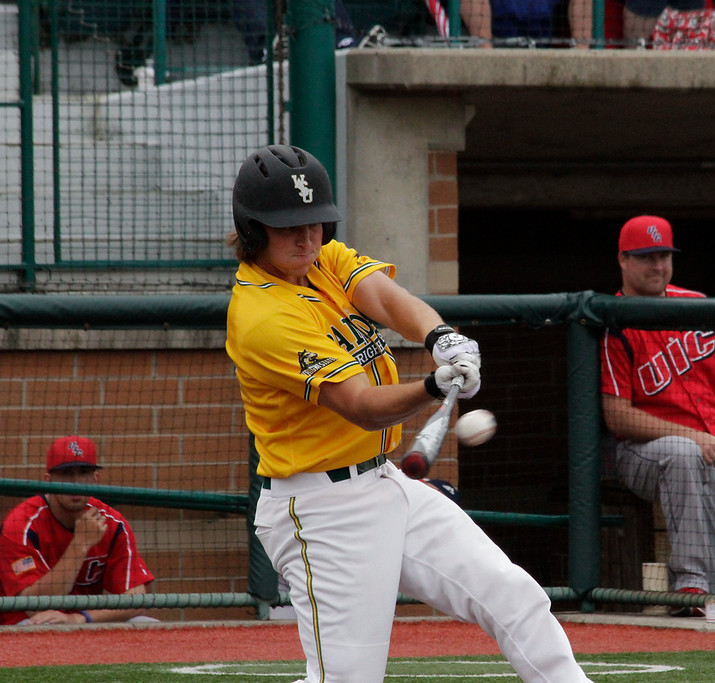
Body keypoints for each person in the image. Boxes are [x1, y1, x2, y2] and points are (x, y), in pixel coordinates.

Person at [225, 144, 592, 682]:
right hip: (323, 510)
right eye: (288, 227)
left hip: (384, 482)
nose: (306, 238)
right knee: (348, 678)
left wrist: (441, 337)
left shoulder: (320, 260)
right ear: (254, 229)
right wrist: (431, 382)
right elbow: (360, 407)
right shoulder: (262, 314)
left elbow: (387, 297)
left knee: (512, 595)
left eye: (314, 223)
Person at [599, 215, 715, 616]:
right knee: (685, 454)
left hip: (712, 447)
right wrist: (695, 437)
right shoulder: (612, 321)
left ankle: (708, 598)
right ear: (623, 259)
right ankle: (691, 585)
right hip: (642, 453)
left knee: (712, 463)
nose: (658, 266)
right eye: (646, 257)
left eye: (664, 256)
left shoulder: (700, 308)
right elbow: (618, 417)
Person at [0, 436, 156, 625]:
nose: (75, 481)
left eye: (84, 472)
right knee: (43, 626)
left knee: (147, 625)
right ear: (48, 480)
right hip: (29, 623)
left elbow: (136, 599)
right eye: (66, 473)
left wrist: (80, 618)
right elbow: (34, 606)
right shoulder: (20, 525)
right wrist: (80, 545)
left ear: (95, 479)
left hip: (83, 620)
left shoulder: (112, 523)